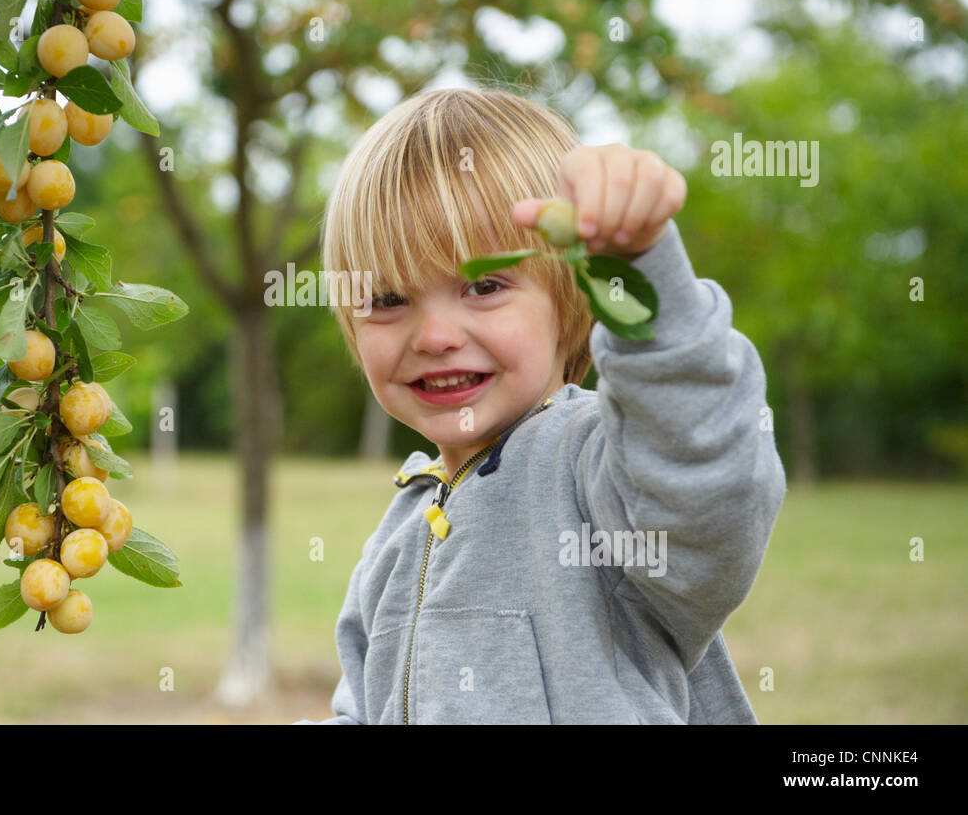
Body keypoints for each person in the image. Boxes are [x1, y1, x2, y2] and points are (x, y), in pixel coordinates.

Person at [295, 88, 785, 724]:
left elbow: (708, 488)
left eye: (484, 286)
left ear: (570, 302)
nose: (434, 335)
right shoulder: (400, 531)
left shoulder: (594, 472)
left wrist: (643, 270)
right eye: (388, 299)